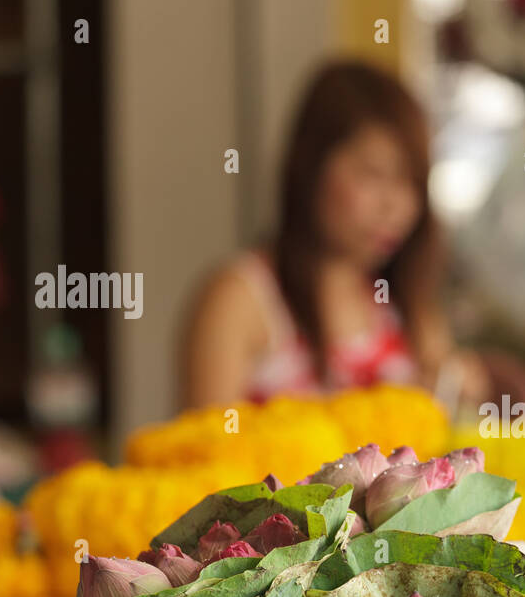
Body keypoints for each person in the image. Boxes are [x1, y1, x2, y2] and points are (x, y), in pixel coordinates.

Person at [182, 61, 486, 409]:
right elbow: (205, 453)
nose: (395, 205)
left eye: (411, 183)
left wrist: (457, 388)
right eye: (373, 175)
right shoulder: (240, 299)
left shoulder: (406, 307)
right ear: (310, 166)